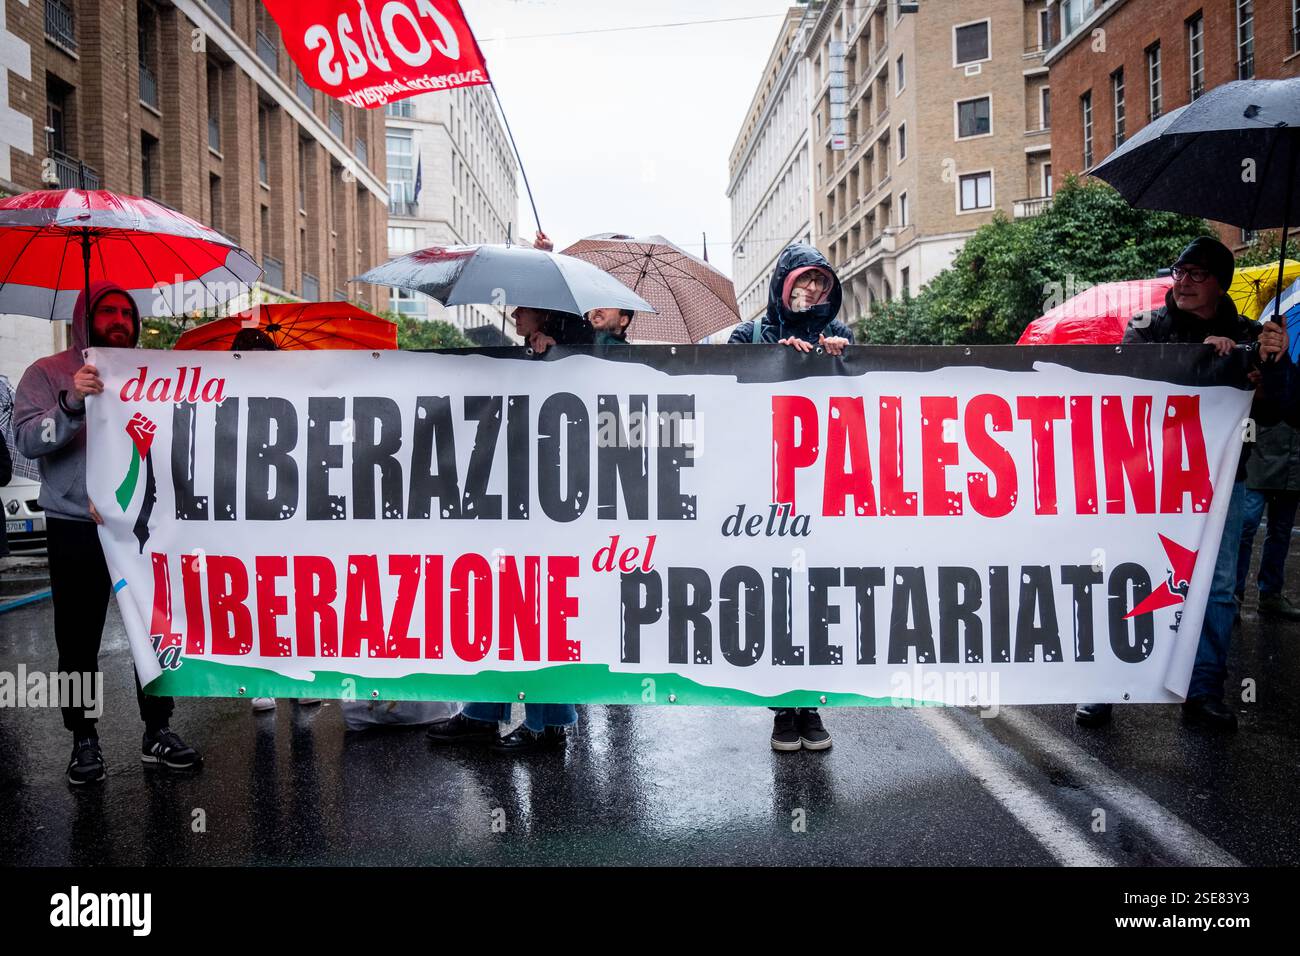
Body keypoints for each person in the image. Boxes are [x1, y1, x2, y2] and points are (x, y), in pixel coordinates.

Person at [1075, 237, 1291, 732]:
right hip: (1147, 481)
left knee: (1216, 588)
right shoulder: (1147, 327)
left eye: (1197, 274)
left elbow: (1283, 412)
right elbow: (1132, 381)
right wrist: (1199, 358)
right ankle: (1105, 687)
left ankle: (1205, 689)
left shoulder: (1250, 333)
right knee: (1127, 575)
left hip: (1220, 481)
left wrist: (1275, 364)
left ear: (1221, 283)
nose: (1184, 282)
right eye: (1179, 271)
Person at [15, 281, 203, 783]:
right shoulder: (46, 373)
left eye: (126, 312)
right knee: (78, 639)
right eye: (107, 311)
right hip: (75, 527)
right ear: (85, 317)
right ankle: (83, 740)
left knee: (153, 629)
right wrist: (71, 402)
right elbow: (30, 441)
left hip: (140, 528)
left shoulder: (148, 373)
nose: (119, 319)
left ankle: (158, 730)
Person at [426, 304, 591, 754]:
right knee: (500, 606)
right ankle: (484, 714)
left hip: (552, 506)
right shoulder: (527, 354)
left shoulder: (572, 355)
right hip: (511, 500)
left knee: (545, 611)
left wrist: (560, 355)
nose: (514, 313)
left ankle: (547, 723)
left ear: (544, 313)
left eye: (523, 308)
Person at [728, 242, 853, 752]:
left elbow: (856, 399)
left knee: (816, 595)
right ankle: (784, 709)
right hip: (766, 488)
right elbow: (723, 387)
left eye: (820, 284)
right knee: (776, 594)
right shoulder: (750, 334)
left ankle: (812, 707)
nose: (811, 291)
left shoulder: (837, 335)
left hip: (818, 486)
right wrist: (773, 359)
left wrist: (841, 362)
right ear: (783, 284)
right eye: (803, 282)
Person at [224, 327, 324, 711]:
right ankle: (260, 679)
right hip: (247, 515)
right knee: (255, 596)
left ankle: (298, 674)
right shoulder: (224, 401)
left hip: (290, 513)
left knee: (293, 594)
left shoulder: (296, 397)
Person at [1234, 421, 1300, 621]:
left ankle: (1270, 594)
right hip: (1257, 457)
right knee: (1246, 527)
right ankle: (1234, 594)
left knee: (1281, 531)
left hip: (1293, 461)